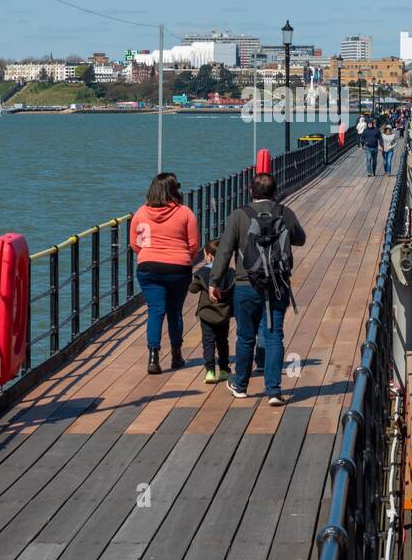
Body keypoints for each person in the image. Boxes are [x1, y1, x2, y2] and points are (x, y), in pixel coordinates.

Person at [209, 171, 306, 404]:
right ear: (275, 192)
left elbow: (224, 251)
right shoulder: (285, 213)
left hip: (245, 284)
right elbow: (300, 239)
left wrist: (215, 281)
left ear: (250, 192)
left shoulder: (239, 215)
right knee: (274, 336)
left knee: (245, 337)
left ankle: (241, 385)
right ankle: (274, 391)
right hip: (277, 284)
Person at [130, 171, 199, 374]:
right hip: (178, 268)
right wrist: (184, 258)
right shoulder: (185, 213)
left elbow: (135, 243)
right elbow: (194, 244)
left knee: (155, 310)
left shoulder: (140, 213)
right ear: (173, 190)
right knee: (174, 311)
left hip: (148, 267)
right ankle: (176, 355)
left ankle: (153, 356)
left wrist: (147, 254)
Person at [190, 238, 234, 383]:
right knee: (223, 341)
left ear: (209, 256)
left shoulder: (202, 272)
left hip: (207, 313)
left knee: (208, 341)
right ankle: (223, 369)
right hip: (224, 313)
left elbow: (193, 289)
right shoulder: (230, 272)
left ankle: (209, 371)